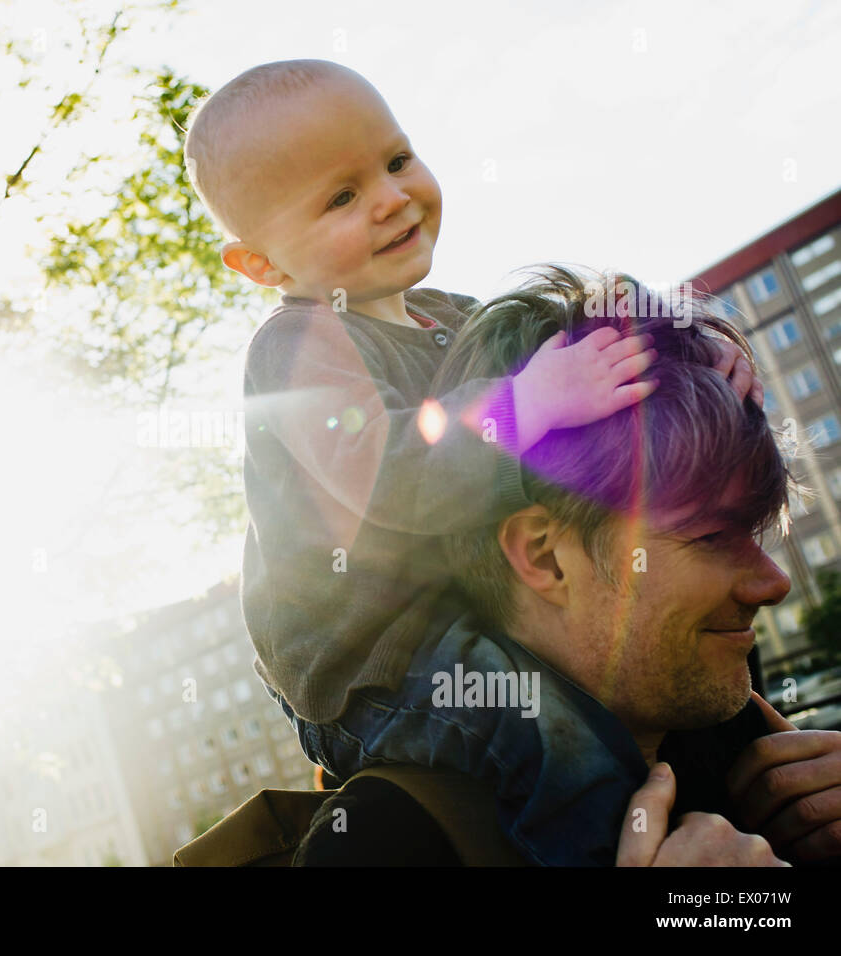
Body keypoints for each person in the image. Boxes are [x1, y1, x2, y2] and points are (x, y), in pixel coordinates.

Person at [181, 59, 758, 808]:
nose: (392, 199)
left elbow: (581, 368)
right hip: (376, 664)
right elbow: (388, 479)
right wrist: (520, 408)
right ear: (258, 262)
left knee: (688, 697)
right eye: (342, 197)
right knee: (543, 735)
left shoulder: (452, 315)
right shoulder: (295, 349)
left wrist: (693, 361)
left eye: (396, 161)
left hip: (477, 614)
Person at [291, 266, 841, 866]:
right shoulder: (383, 846)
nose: (774, 582)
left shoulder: (765, 766)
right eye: (711, 535)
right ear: (544, 556)